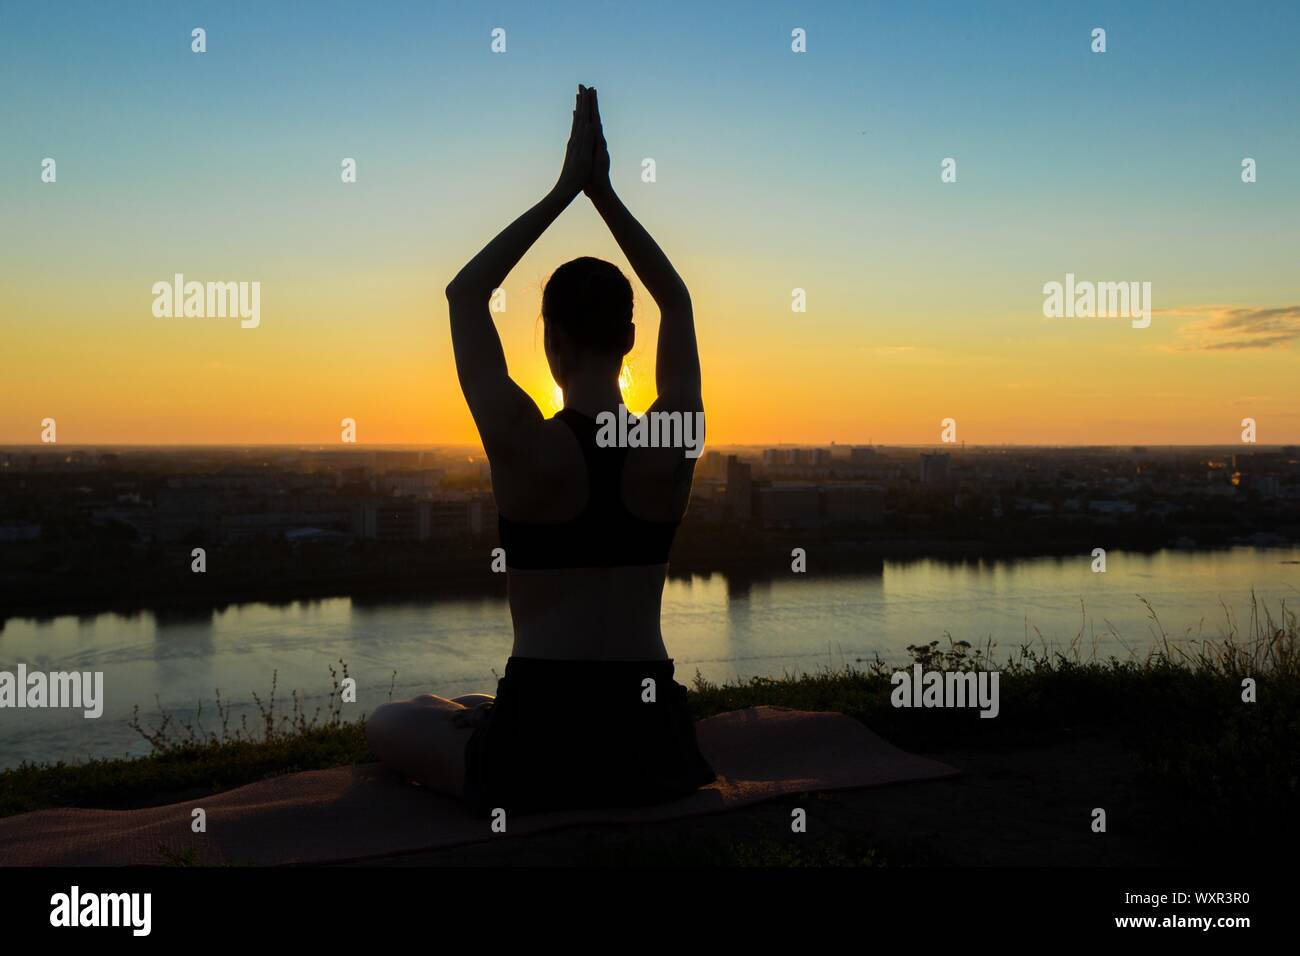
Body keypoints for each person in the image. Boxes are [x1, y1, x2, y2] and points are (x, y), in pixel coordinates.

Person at [366, 86, 716, 815]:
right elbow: (677, 301)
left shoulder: (525, 442)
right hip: (653, 740)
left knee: (392, 721)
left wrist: (564, 190)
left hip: (537, 746)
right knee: (454, 708)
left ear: (550, 344)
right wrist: (605, 196)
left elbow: (466, 294)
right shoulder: (670, 437)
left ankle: (483, 715)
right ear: (628, 342)